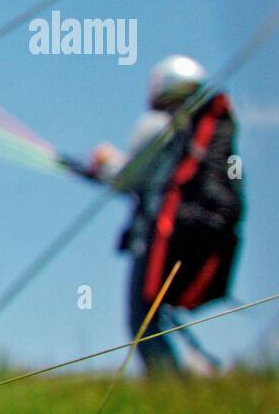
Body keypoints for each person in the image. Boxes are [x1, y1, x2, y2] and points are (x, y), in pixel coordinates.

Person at [81, 55, 243, 377]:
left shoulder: (158, 124)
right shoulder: (202, 129)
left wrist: (104, 163)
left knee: (142, 319)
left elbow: (129, 177)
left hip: (160, 235)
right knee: (154, 314)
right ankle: (183, 380)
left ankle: (168, 384)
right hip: (197, 233)